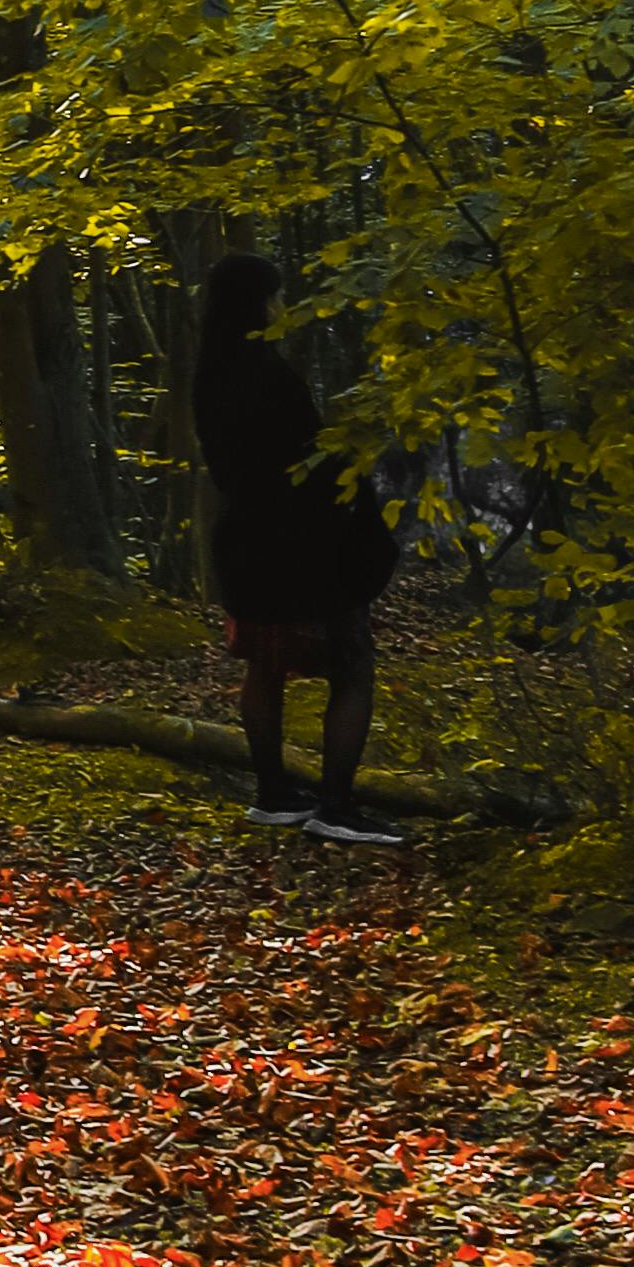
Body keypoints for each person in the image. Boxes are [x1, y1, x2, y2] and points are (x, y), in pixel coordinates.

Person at [190, 251, 403, 835]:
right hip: (299, 546)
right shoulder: (270, 375)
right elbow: (305, 462)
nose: (282, 306)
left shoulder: (209, 374)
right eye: (276, 295)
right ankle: (336, 806)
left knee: (264, 664)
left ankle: (274, 793)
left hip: (242, 541)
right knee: (353, 664)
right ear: (258, 302)